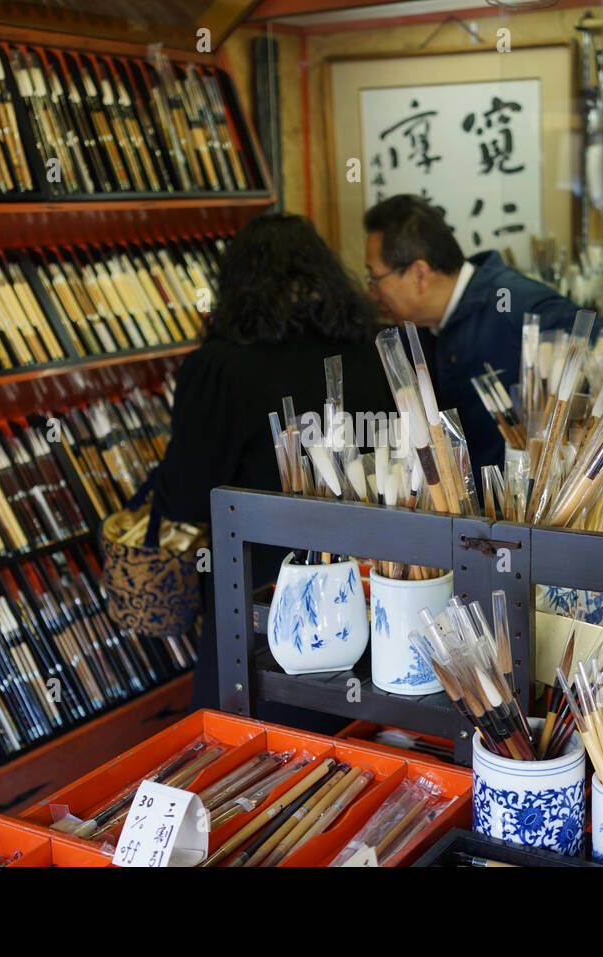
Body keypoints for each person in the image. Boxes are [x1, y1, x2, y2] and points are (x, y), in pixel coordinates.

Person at [152, 213, 394, 714]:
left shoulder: (220, 367)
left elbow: (190, 496)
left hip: (264, 610)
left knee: (262, 751)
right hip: (376, 600)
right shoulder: (375, 352)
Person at [363, 194, 584, 471]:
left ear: (419, 273)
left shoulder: (516, 304)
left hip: (522, 508)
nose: (371, 293)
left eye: (374, 279)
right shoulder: (424, 327)